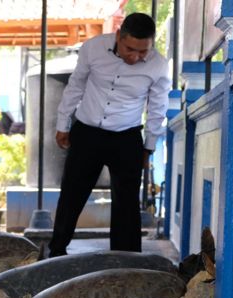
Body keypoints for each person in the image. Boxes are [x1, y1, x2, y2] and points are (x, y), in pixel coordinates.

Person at [48, 13, 171, 257]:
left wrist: (149, 147)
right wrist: (63, 124)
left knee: (126, 204)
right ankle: (56, 251)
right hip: (87, 133)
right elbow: (76, 86)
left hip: (126, 137)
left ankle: (126, 261)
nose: (135, 57)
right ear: (118, 37)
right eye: (130, 49)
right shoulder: (92, 48)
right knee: (72, 193)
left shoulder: (158, 65)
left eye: (143, 51)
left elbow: (157, 108)